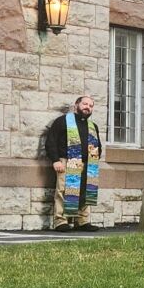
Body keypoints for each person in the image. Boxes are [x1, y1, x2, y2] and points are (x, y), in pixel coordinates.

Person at [46, 94, 103, 231]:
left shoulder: (92, 126)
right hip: (67, 161)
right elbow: (51, 141)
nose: (87, 107)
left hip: (87, 164)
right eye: (85, 104)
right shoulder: (63, 121)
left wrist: (93, 162)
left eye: (90, 106)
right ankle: (61, 221)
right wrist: (55, 160)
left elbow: (98, 146)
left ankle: (82, 221)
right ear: (76, 105)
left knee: (85, 191)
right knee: (64, 191)